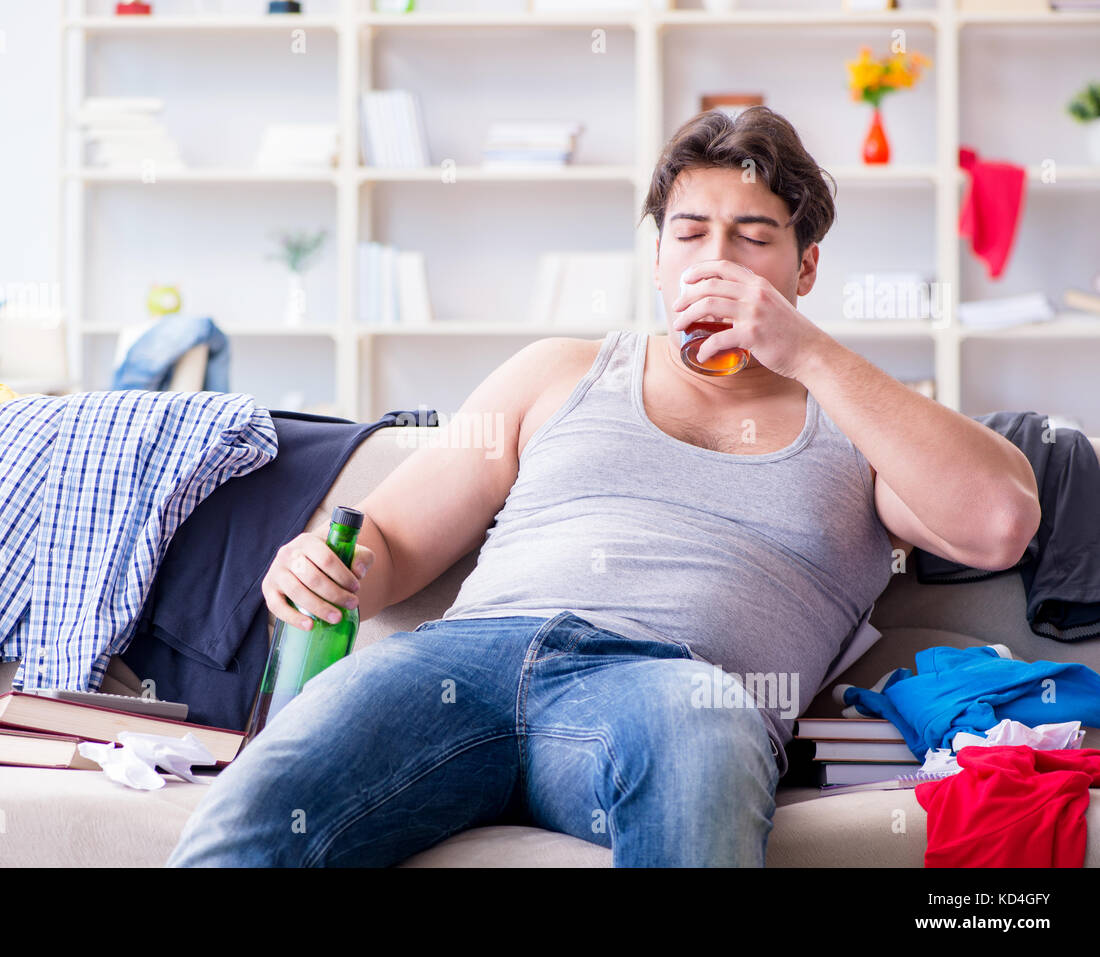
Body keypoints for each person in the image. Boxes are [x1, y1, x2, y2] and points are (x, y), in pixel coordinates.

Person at [167, 106, 1040, 868]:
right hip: (453, 670)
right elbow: (389, 540)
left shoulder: (858, 418)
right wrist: (321, 563)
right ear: (658, 255)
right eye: (691, 232)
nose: (717, 260)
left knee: (704, 729)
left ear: (805, 269)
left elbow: (1001, 520)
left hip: (670, 691)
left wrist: (807, 351)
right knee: (252, 810)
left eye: (754, 237)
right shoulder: (559, 371)